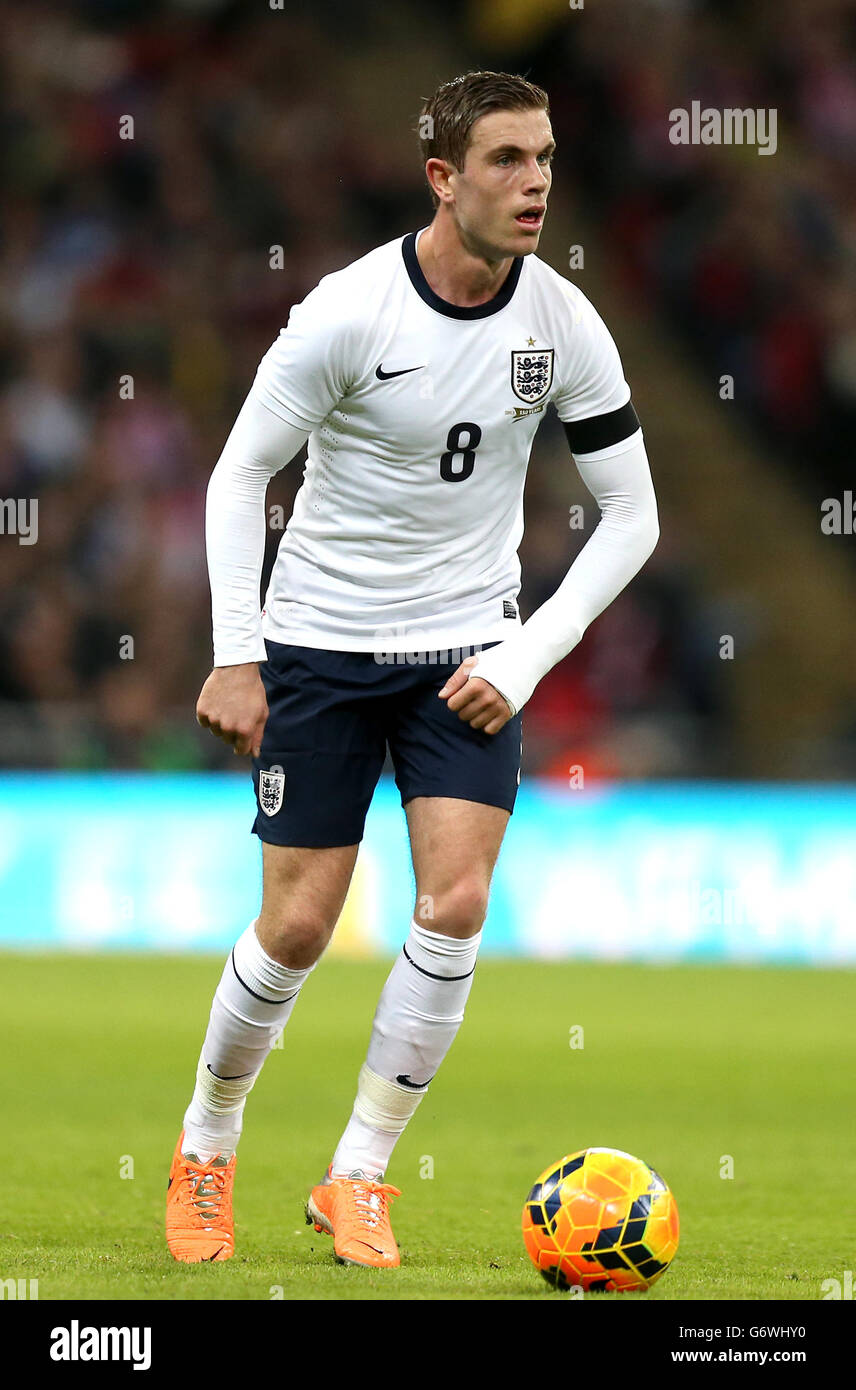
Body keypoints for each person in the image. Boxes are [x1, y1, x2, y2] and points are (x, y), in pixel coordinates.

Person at [165, 69, 659, 1268]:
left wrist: (528, 652)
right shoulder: (346, 314)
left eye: (542, 157)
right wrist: (239, 654)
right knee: (294, 928)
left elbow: (634, 513)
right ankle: (206, 1147)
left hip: (465, 654)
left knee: (455, 905)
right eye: (504, 160)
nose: (534, 181)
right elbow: (241, 474)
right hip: (324, 647)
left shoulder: (562, 322)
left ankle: (359, 1177)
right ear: (442, 178)